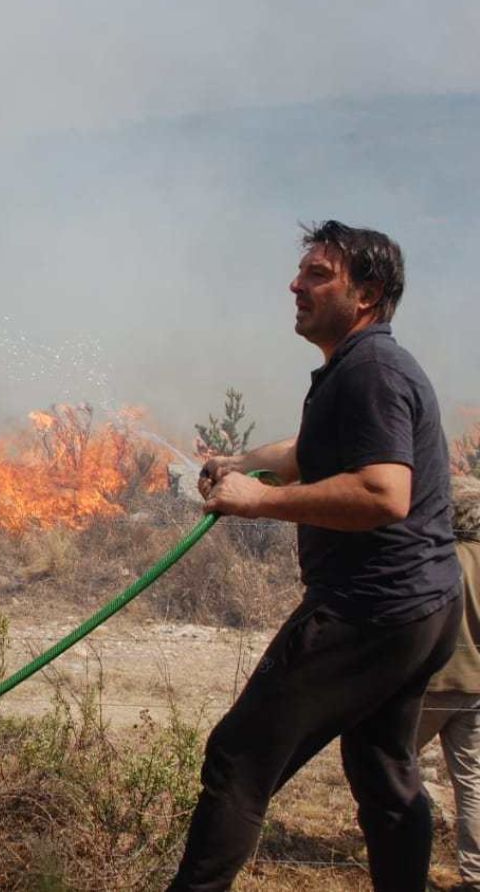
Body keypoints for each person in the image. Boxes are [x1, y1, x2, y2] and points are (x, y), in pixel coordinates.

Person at [167, 220, 462, 892]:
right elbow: (310, 453)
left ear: (367, 293)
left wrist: (254, 502)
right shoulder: (359, 367)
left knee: (238, 760)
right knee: (383, 775)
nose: (295, 285)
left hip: (371, 611)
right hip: (422, 608)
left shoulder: (373, 373)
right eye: (301, 272)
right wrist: (243, 463)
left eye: (317, 275)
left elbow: (384, 493)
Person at [418, 475, 480, 891]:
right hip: (476, 686)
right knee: (472, 781)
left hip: (430, 686)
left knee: (390, 768)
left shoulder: (433, 557)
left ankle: (402, 860)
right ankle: (475, 877)